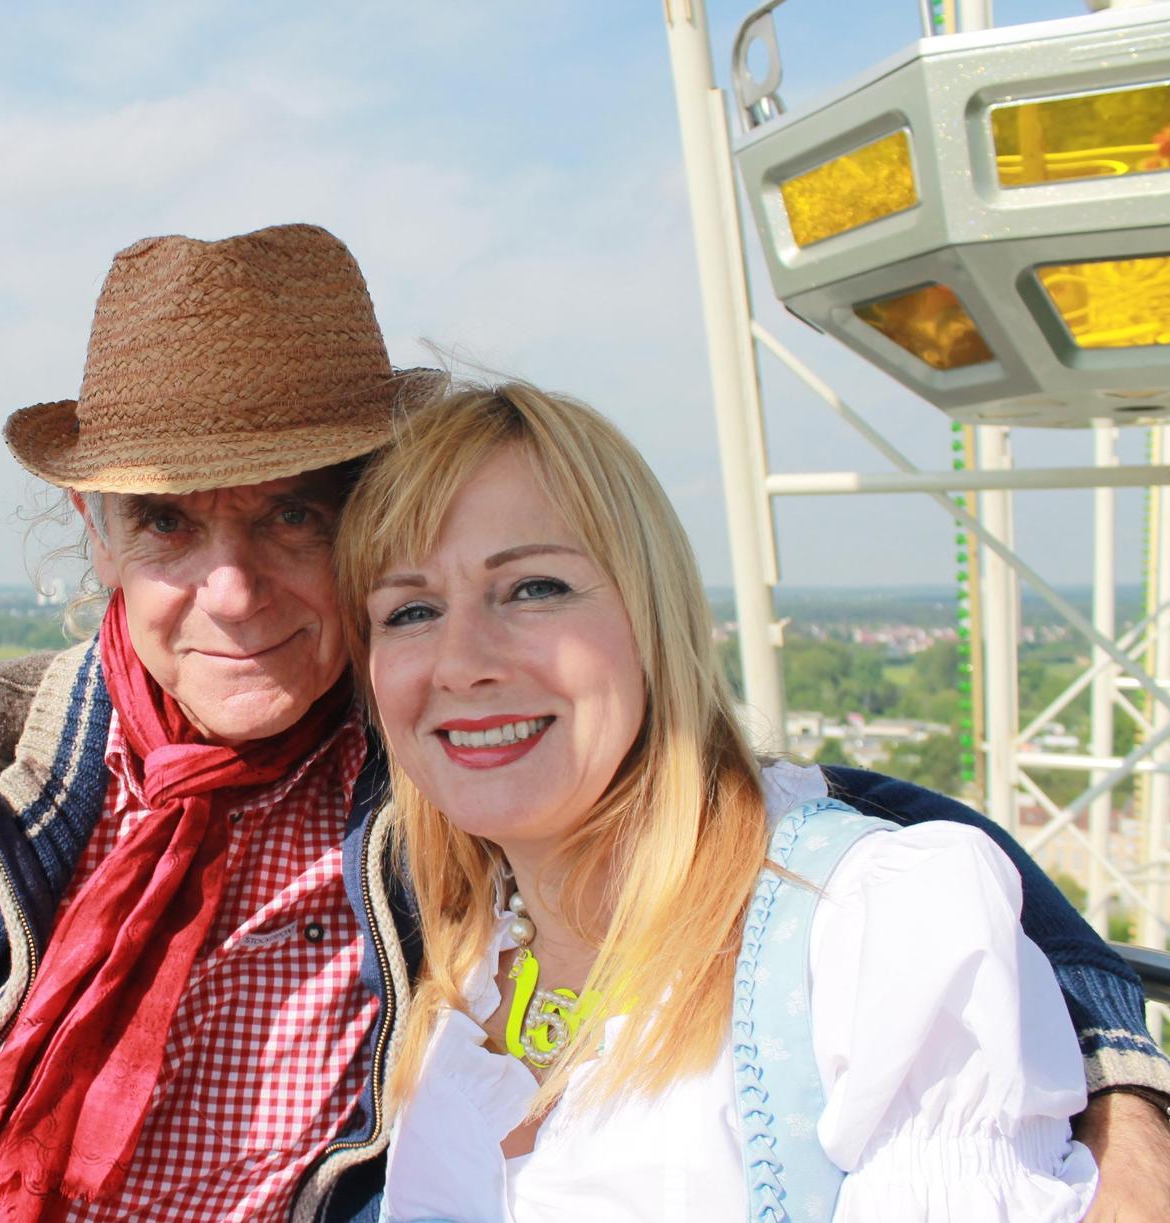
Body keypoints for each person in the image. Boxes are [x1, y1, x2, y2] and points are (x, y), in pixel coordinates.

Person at [0, 224, 1170, 1223]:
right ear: (98, 540)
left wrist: (1122, 1084)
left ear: (370, 520)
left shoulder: (435, 764)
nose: (231, 591)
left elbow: (859, 833)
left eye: (294, 518)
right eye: (169, 524)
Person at [337, 378, 1100, 1220]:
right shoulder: (446, 939)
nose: (461, 660)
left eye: (534, 588)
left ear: (651, 614)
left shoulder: (866, 928)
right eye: (410, 609)